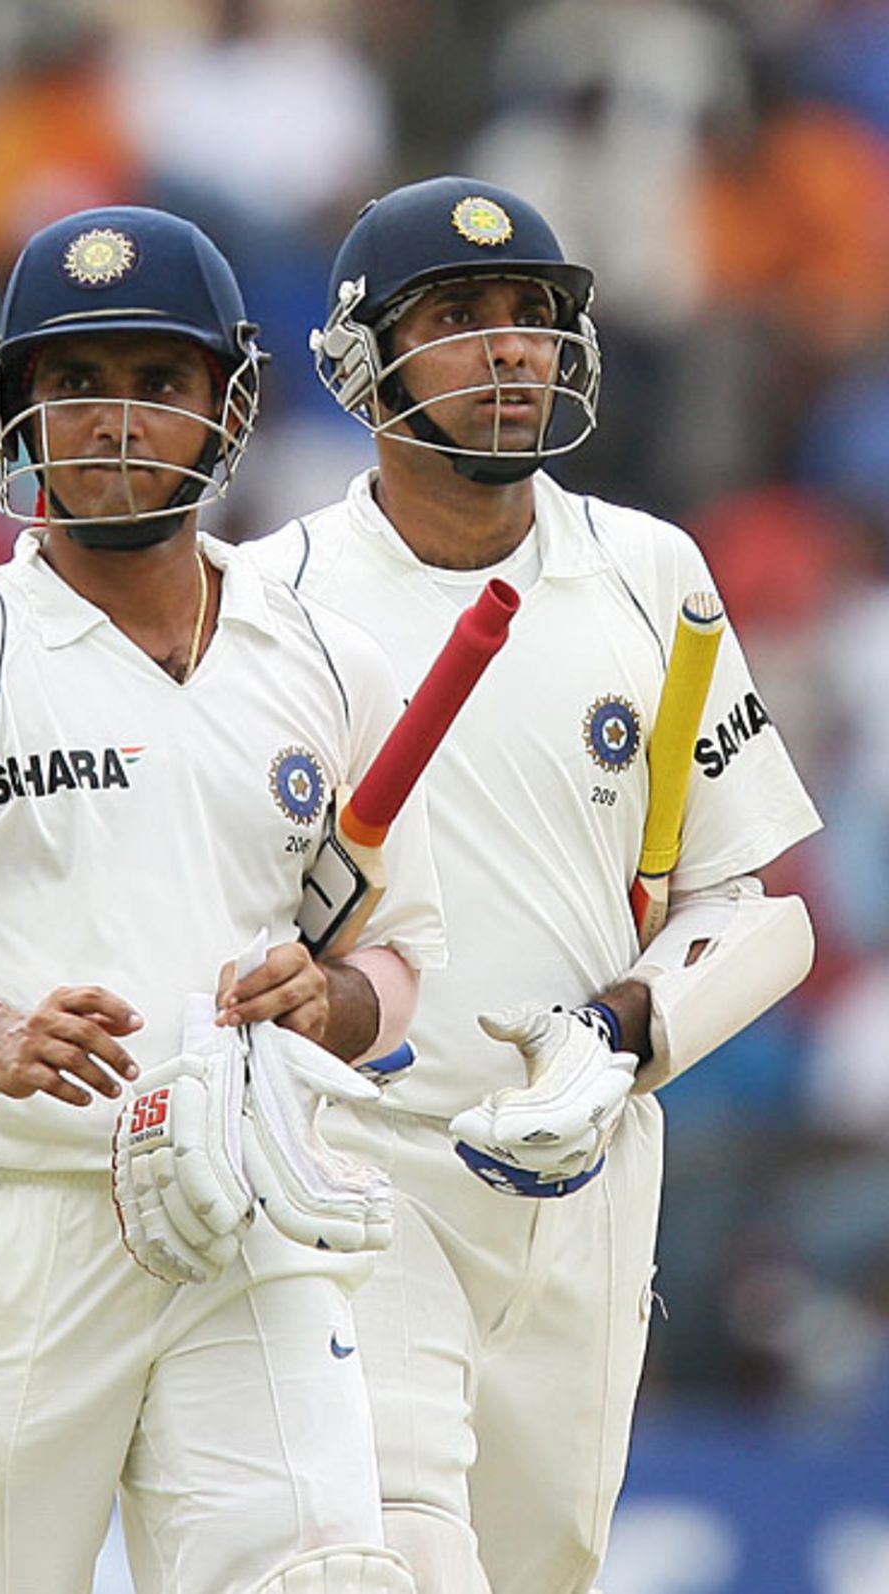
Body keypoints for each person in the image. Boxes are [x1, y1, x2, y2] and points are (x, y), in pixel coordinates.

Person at [0, 205, 445, 1594]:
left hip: (249, 1211)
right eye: (75, 385)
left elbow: (399, 955)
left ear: (225, 406)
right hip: (2, 1227)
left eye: (158, 384)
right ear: (16, 410)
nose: (118, 421)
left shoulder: (327, 659)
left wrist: (333, 997)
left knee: (324, 1578)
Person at [251, 176, 822, 1594]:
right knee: (387, 1557)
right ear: (360, 360)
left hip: (584, 1179)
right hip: (355, 1169)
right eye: (458, 318)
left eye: (533, 317)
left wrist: (621, 1033)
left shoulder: (651, 572)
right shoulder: (273, 600)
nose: (511, 348)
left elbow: (746, 905)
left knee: (540, 1566)